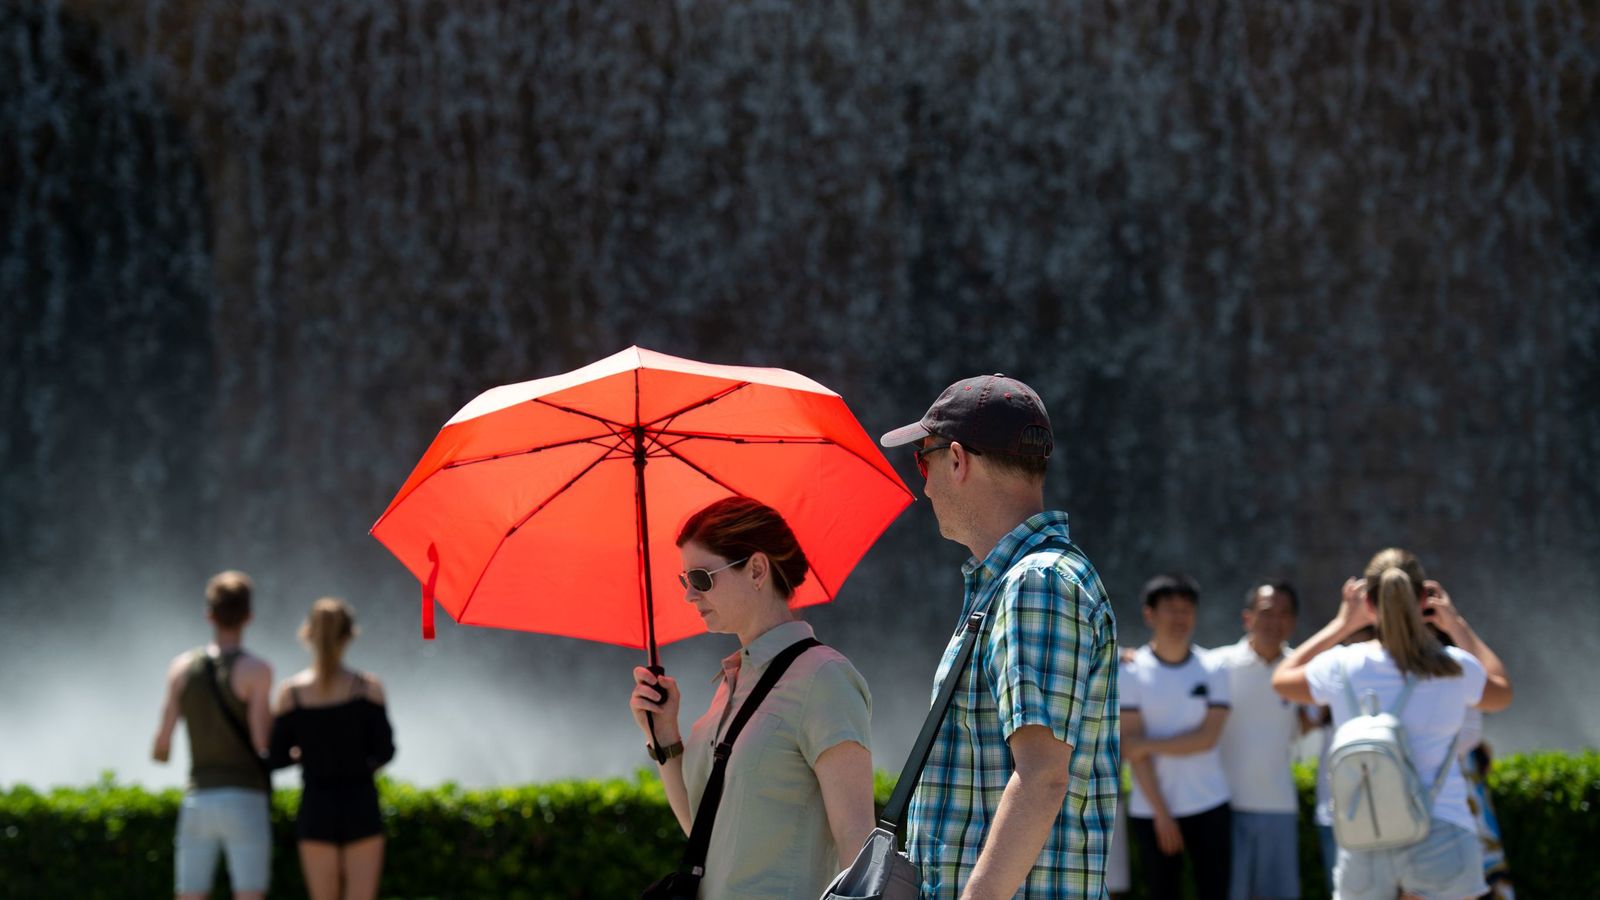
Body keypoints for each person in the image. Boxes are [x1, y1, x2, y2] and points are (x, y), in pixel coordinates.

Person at [879, 373, 1119, 899]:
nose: (923, 485)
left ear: (958, 460)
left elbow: (1041, 778)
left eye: (924, 461)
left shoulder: (1037, 584)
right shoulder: (1016, 583)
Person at [628, 496, 875, 899]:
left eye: (701, 578)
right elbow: (705, 834)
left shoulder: (824, 678)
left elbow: (858, 849)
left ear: (757, 570)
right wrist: (665, 735)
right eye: (684, 581)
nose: (690, 595)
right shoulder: (730, 686)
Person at [1272, 548, 1513, 900]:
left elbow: (1281, 678)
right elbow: (1501, 691)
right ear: (1423, 600)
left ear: (1369, 603)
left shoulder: (1340, 666)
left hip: (1367, 837)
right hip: (1443, 831)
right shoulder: (1453, 667)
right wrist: (1455, 624)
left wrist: (1343, 624)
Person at [151, 570, 275, 900]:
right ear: (248, 616)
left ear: (209, 614)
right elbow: (263, 742)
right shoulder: (257, 670)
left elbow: (161, 746)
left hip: (199, 798)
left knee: (190, 895)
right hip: (245, 795)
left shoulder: (180, 668)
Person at [269, 598, 396, 900]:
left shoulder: (292, 694)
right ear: (349, 635)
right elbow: (386, 751)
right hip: (360, 803)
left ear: (308, 634)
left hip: (316, 806)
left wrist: (305, 754)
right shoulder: (368, 688)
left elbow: (274, 757)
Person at [1121, 574, 1232, 900]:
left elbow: (1207, 738)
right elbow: (1131, 748)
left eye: (1187, 609)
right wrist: (1162, 814)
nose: (1179, 617)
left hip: (1209, 804)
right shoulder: (1131, 670)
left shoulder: (1214, 667)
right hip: (1151, 811)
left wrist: (1146, 745)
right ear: (1149, 614)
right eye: (1170, 608)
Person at [1209, 582, 1305, 900]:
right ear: (1247, 618)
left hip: (1279, 805)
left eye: (1284, 613)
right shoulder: (1217, 665)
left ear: (1293, 621)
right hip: (1226, 804)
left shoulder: (1301, 670)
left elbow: (1311, 720)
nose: (1275, 621)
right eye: (1266, 612)